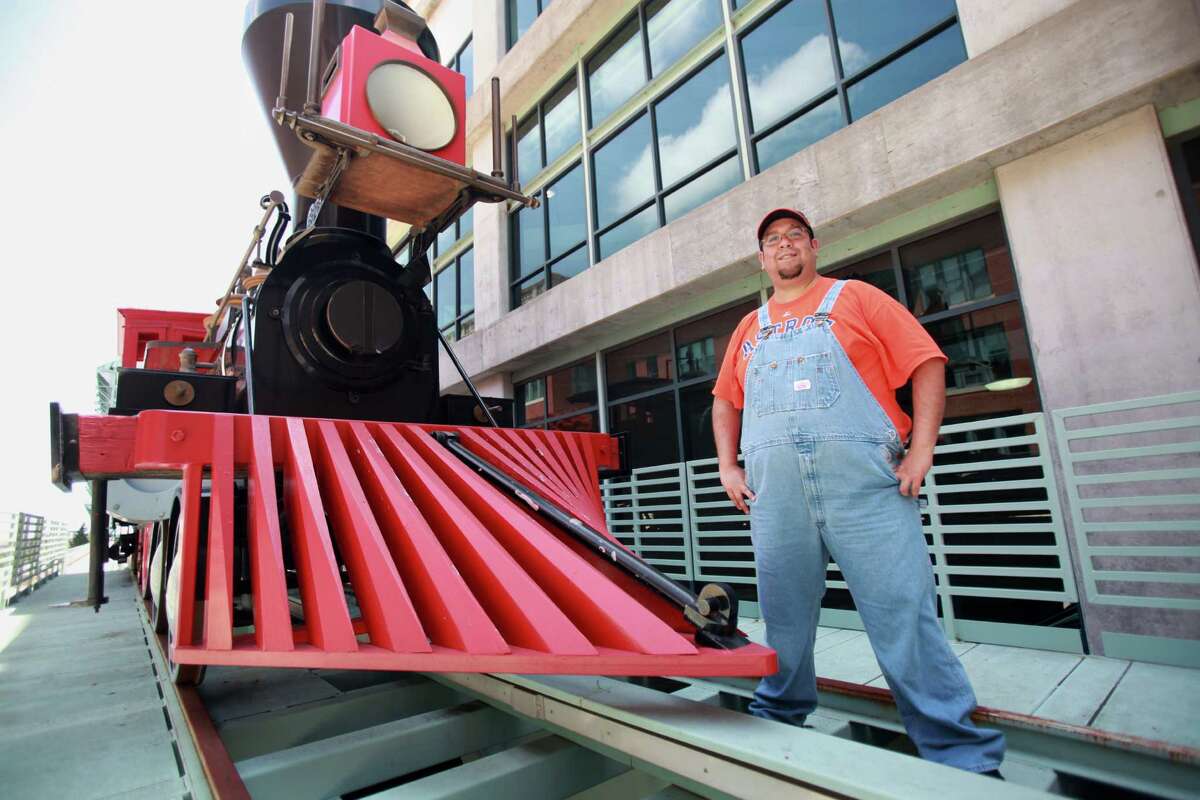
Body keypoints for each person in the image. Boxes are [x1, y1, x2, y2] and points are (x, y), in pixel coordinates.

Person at [710, 207, 1006, 776]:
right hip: (777, 500)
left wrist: (922, 451)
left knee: (903, 614)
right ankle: (778, 716)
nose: (784, 244)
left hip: (866, 492)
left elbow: (926, 362)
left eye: (795, 235)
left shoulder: (857, 298)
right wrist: (728, 467)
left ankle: (957, 750)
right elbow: (726, 399)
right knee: (784, 618)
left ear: (814, 247)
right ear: (762, 259)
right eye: (773, 239)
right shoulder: (750, 328)